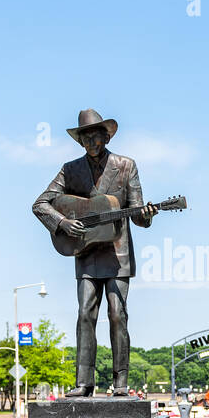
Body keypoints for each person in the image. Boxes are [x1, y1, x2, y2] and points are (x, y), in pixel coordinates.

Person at [32, 109, 159, 397]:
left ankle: (120, 383)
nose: (91, 141)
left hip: (118, 253)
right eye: (85, 137)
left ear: (106, 136)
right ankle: (83, 382)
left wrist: (147, 214)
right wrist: (63, 222)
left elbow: (138, 213)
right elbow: (41, 204)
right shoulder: (70, 169)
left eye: (96, 136)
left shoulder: (126, 166)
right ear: (80, 141)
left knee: (118, 314)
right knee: (85, 313)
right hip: (86, 252)